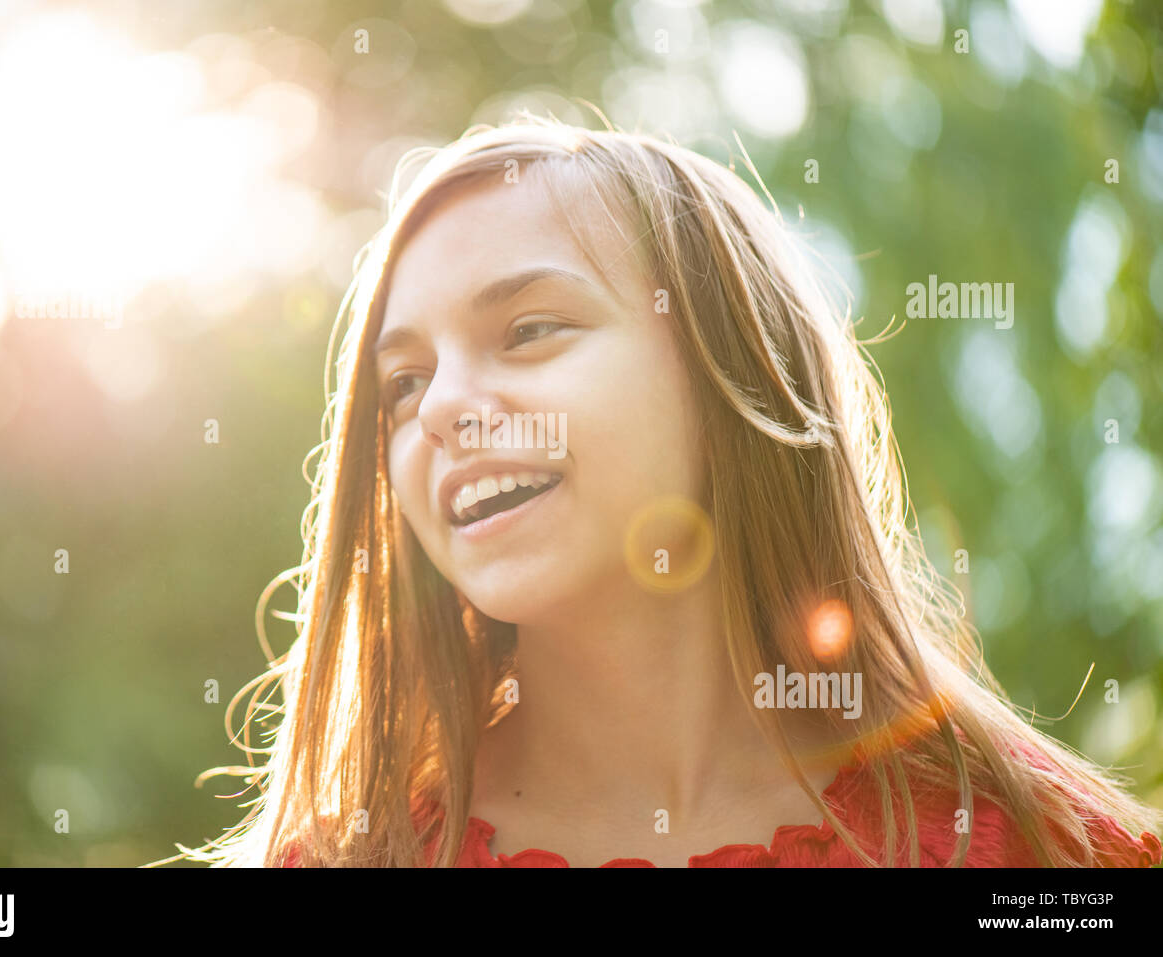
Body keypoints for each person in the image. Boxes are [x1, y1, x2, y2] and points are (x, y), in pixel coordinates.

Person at [175, 113, 1162, 867]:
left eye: (528, 330)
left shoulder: (1049, 853)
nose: (440, 410)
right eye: (402, 383)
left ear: (728, 371)